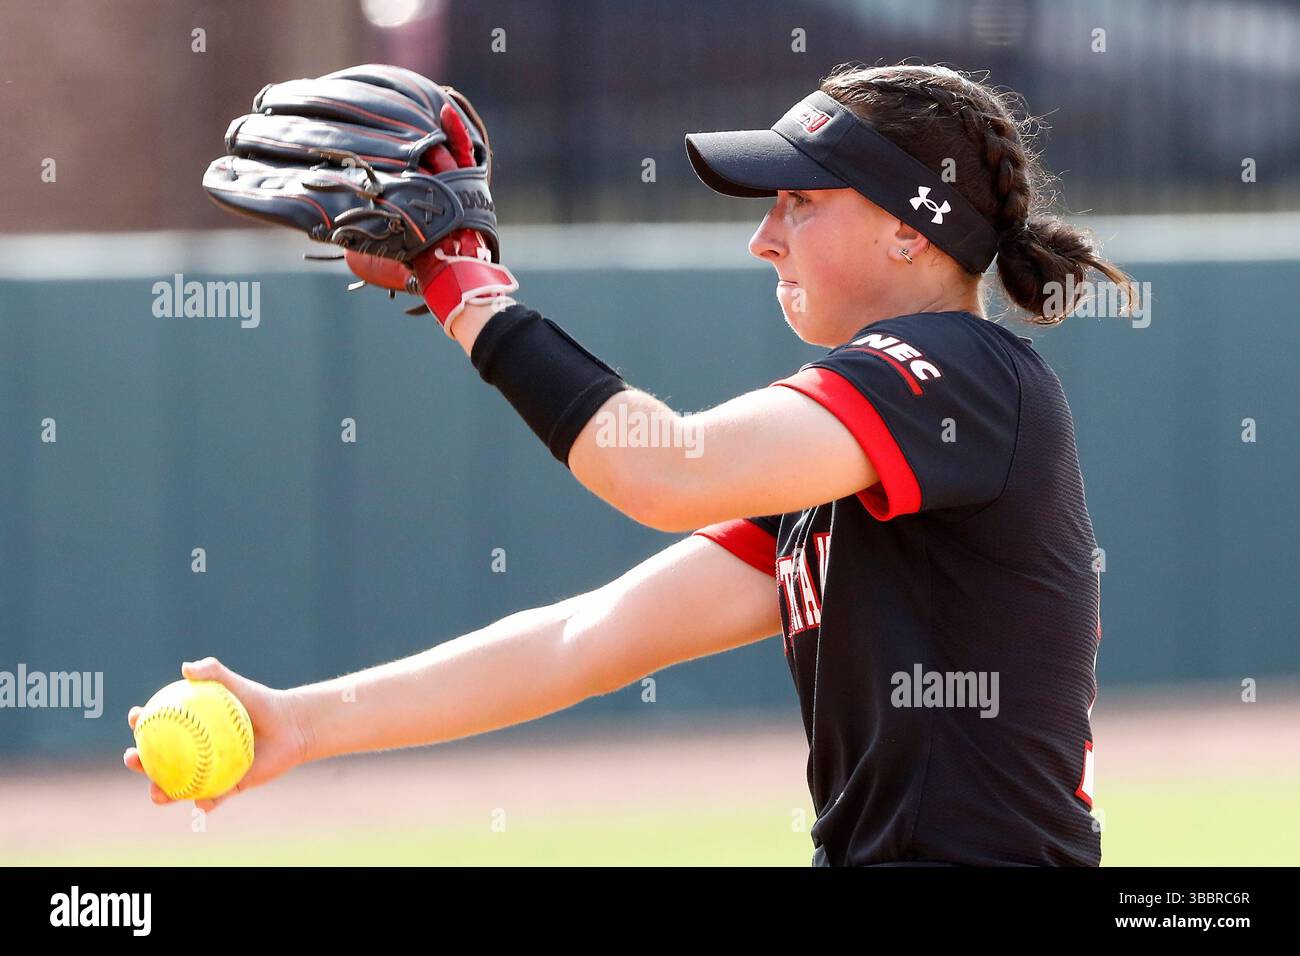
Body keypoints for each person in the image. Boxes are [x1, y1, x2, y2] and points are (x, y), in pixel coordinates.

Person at [125, 62, 1132, 866]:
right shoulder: (837, 468)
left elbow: (666, 467)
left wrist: (457, 276)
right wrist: (298, 724)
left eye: (798, 201)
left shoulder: (965, 374)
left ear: (910, 229)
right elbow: (581, 637)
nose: (761, 237)